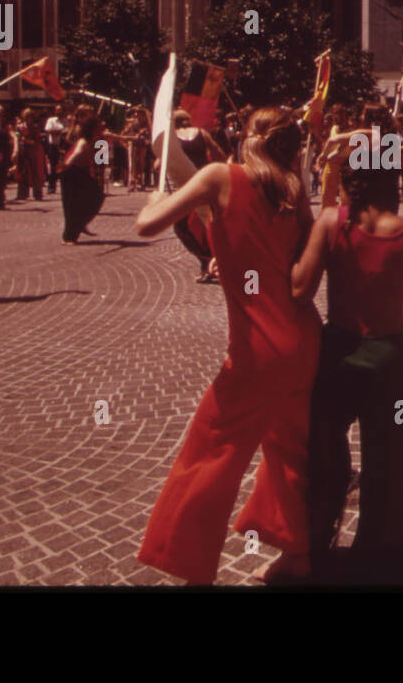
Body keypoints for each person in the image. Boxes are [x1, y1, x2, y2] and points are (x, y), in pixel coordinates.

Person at [135, 107, 322, 584]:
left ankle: (189, 564)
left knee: (211, 450)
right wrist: (233, 260)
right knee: (287, 451)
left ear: (246, 135)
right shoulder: (293, 188)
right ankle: (298, 555)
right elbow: (292, 262)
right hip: (302, 336)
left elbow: (147, 226)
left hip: (259, 348)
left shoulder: (220, 175)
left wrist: (154, 198)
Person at [293, 163, 403, 583]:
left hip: (339, 356)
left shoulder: (331, 222)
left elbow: (299, 289)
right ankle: (380, 558)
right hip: (390, 364)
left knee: (323, 451)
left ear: (349, 184)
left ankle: (315, 541)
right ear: (391, 184)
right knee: (392, 462)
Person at [169, 109, 227, 283]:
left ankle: (206, 260)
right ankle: (215, 261)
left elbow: (159, 164)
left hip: (185, 188)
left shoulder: (172, 138)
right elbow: (220, 155)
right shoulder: (202, 133)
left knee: (181, 227)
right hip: (206, 185)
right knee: (210, 223)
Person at [57, 109, 105, 244]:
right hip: (71, 173)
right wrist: (65, 166)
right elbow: (73, 157)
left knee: (96, 196)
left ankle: (79, 226)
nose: (100, 130)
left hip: (80, 172)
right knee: (72, 205)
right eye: (98, 128)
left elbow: (102, 157)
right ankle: (70, 236)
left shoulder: (97, 140)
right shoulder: (83, 142)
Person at [14, 107, 46, 202]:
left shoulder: (35, 127)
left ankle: (38, 193)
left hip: (32, 150)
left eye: (31, 116)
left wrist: (26, 140)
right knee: (22, 171)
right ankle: (22, 194)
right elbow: (17, 135)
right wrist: (20, 139)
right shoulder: (20, 126)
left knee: (35, 171)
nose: (29, 118)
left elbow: (36, 141)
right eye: (27, 116)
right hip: (22, 149)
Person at [44, 104, 67, 194]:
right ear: (55, 111)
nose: (59, 112)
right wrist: (60, 131)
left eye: (61, 110)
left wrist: (56, 131)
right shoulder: (51, 120)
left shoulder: (65, 121)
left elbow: (67, 131)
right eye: (58, 110)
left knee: (63, 167)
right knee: (52, 167)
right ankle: (51, 187)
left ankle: (64, 187)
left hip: (62, 146)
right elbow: (49, 130)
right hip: (53, 146)